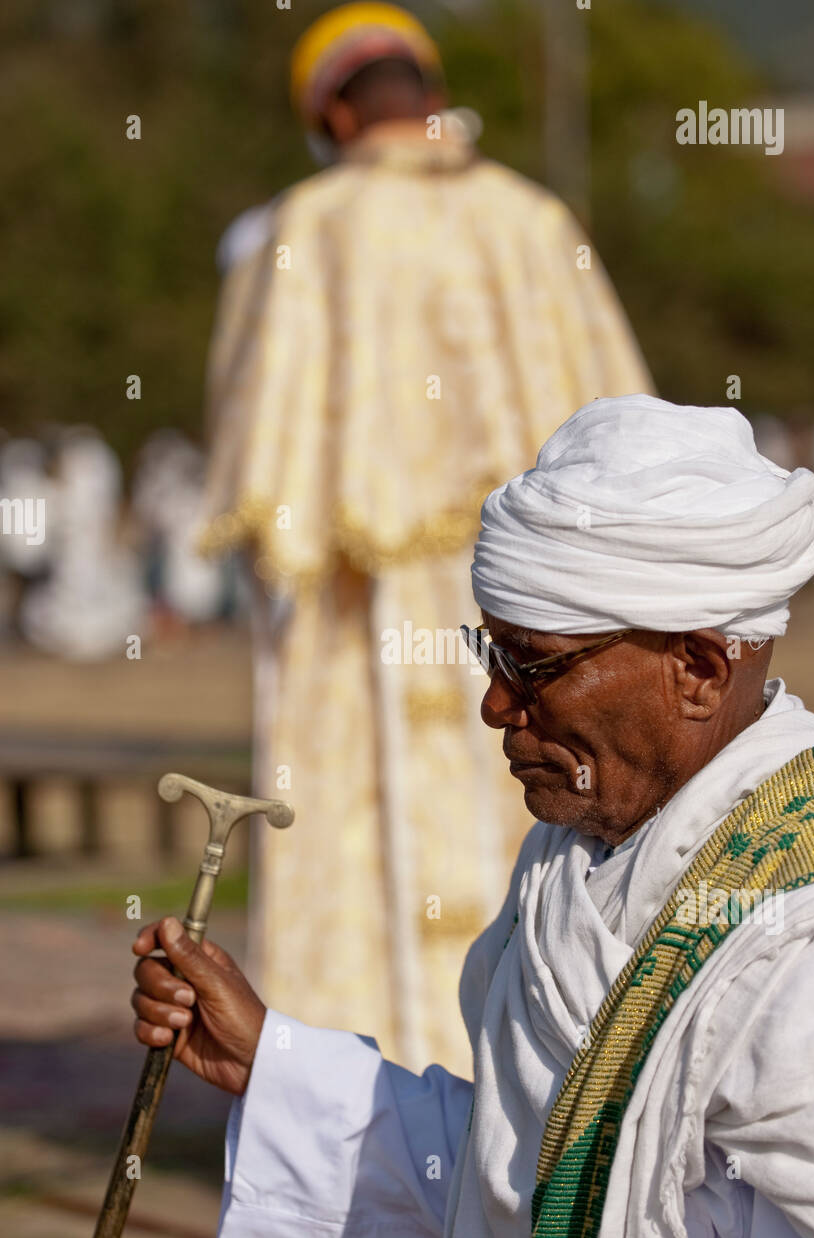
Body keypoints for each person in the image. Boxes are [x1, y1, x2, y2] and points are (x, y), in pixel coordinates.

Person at [134, 394, 814, 1238]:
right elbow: (528, 1176)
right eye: (492, 655)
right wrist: (270, 1064)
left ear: (699, 670)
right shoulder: (573, 853)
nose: (495, 704)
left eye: (534, 666)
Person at [199, 3, 653, 1073]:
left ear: (338, 109)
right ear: (431, 93)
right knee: (539, 819)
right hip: (546, 606)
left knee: (364, 835)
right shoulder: (535, 218)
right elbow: (628, 425)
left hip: (363, 605)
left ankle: (353, 1087)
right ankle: (553, 1073)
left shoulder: (311, 223)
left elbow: (259, 452)